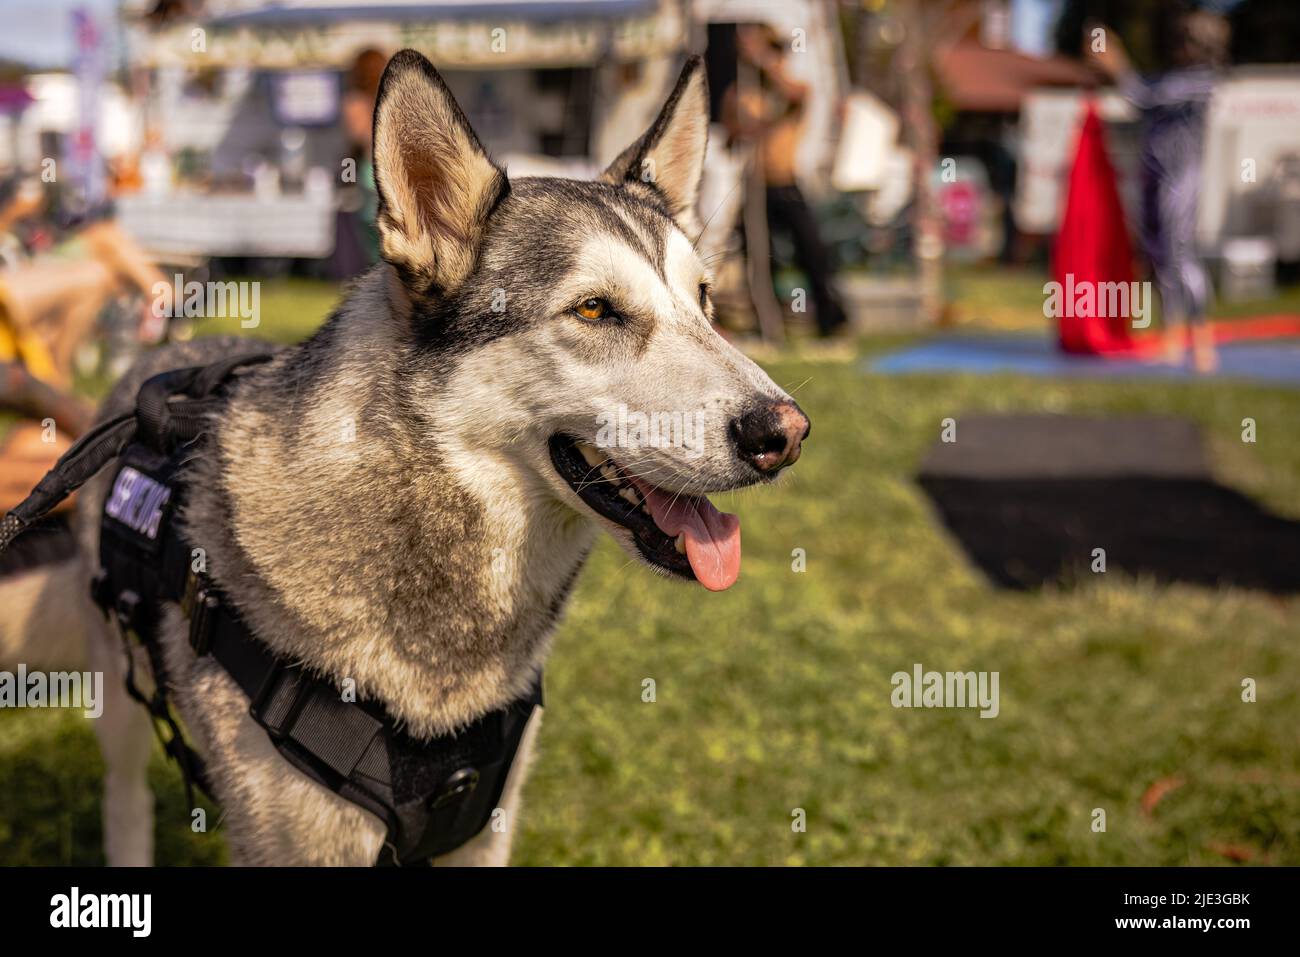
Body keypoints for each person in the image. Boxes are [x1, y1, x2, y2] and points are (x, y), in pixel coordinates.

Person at [1088, 7, 1230, 372]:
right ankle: (1172, 334)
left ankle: (1199, 340)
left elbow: (1142, 96)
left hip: (1180, 180)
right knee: (1159, 257)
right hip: (1154, 176)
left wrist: (1116, 62)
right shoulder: (1174, 79)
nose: (1179, 49)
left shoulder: (1202, 80)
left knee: (1180, 254)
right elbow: (1144, 96)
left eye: (1186, 42)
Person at [725, 24, 848, 337]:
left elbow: (796, 96)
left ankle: (830, 321)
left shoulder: (791, 90)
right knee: (758, 257)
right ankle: (766, 320)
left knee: (812, 254)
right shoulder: (745, 93)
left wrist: (764, 58)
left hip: (786, 185)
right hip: (756, 190)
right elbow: (732, 132)